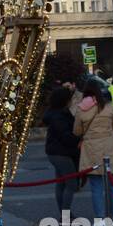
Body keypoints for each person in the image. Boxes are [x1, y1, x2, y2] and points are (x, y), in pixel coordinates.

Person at [73, 83, 113, 226]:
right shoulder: (108, 107)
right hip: (110, 147)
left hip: (91, 149)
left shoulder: (80, 110)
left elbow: (77, 131)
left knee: (96, 187)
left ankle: (100, 220)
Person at [42, 86, 81, 215]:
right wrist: (78, 138)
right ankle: (65, 215)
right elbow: (66, 136)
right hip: (62, 152)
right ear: (65, 100)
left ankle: (64, 213)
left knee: (61, 183)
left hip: (55, 151)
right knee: (71, 184)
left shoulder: (54, 113)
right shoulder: (60, 115)